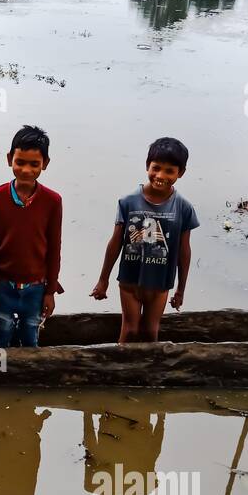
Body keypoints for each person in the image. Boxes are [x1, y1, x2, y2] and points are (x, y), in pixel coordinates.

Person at [91, 136, 198, 342]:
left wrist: (181, 290)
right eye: (156, 168)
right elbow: (115, 243)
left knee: (150, 332)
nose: (160, 175)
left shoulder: (183, 207)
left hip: (160, 284)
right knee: (129, 330)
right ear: (147, 166)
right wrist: (103, 280)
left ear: (181, 173)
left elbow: (184, 252)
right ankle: (121, 371)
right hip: (130, 282)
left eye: (170, 171)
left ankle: (149, 374)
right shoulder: (128, 201)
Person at [0, 125, 63, 348]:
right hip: (2, 285)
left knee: (30, 333)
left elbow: (54, 247)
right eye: (20, 162)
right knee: (2, 331)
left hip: (36, 286)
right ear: (10, 159)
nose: (26, 170)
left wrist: (50, 291)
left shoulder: (52, 201)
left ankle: (28, 377)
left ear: (45, 164)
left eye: (34, 164)